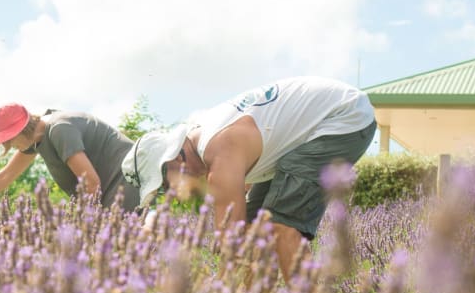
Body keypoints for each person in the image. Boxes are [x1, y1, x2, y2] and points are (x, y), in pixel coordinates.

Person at [123, 76, 376, 280]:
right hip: (303, 135)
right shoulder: (212, 143)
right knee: (258, 232)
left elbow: (230, 246)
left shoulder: (220, 153)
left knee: (281, 227)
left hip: (344, 116)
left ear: (175, 159)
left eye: (166, 185)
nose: (172, 194)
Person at [0, 104, 140, 211]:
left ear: (21, 130)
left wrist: (83, 224)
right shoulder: (37, 139)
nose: (9, 147)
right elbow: (7, 175)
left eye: (8, 141)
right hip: (106, 191)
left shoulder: (59, 129)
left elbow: (91, 183)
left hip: (123, 182)